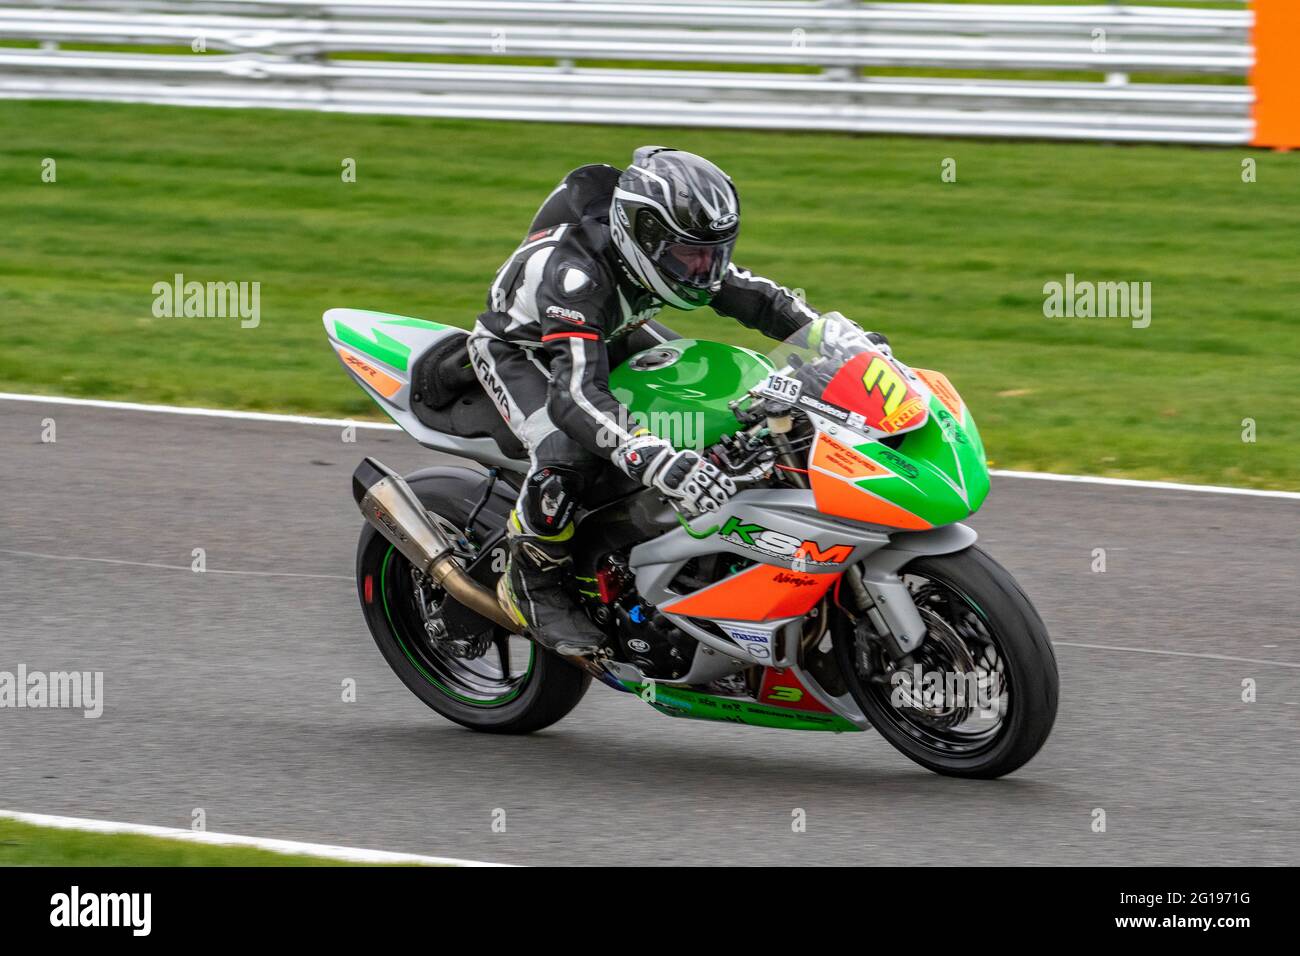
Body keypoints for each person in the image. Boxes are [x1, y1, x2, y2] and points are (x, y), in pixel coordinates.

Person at [468, 145, 825, 655]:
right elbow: (575, 396)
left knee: (728, 392)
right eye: (692, 255)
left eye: (714, 252)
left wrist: (839, 342)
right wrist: (653, 457)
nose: (706, 269)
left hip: (610, 331)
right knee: (564, 449)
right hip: (522, 352)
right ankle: (531, 580)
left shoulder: (678, 253)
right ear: (644, 237)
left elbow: (764, 299)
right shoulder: (576, 277)